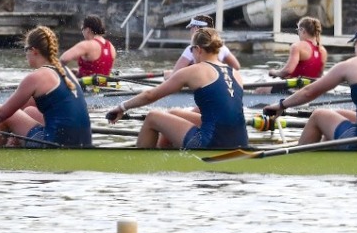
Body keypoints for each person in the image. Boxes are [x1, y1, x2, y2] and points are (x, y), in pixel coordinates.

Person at [261, 13, 357, 150]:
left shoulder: (354, 64)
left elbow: (308, 92)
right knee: (337, 113)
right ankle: (328, 154)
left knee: (318, 115)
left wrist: (281, 104)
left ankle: (301, 164)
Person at [105, 27, 247, 150]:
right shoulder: (236, 73)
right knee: (173, 113)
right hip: (241, 141)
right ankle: (168, 155)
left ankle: (145, 168)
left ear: (198, 49)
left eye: (191, 50)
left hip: (209, 143)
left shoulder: (195, 70)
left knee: (152, 117)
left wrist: (122, 107)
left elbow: (150, 95)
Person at [0, 26, 93, 147]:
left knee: (8, 118)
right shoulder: (66, 72)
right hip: (84, 142)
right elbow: (24, 105)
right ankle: (13, 155)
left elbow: (2, 113)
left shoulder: (36, 77)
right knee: (29, 111)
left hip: (57, 144)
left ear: (34, 50)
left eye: (25, 49)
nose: (25, 55)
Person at [173, 14, 242, 70]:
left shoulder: (192, 49)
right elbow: (236, 67)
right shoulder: (221, 47)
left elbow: (176, 73)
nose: (190, 31)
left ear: (196, 28)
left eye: (191, 28)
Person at [61, 15, 116, 80]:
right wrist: (79, 72)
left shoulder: (86, 45)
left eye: (82, 29)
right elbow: (101, 70)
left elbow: (63, 59)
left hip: (86, 87)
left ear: (87, 30)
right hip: (103, 86)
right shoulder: (111, 46)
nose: (82, 32)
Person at [269, 16, 325, 81]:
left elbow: (288, 71)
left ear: (302, 30)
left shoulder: (297, 46)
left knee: (261, 90)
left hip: (294, 88)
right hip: (313, 88)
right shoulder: (322, 51)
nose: (298, 33)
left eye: (298, 30)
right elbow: (319, 75)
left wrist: (274, 73)